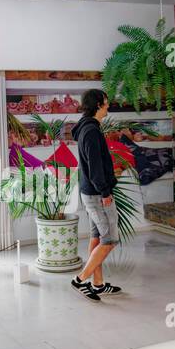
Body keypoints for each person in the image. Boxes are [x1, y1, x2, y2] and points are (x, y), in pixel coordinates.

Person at [71, 88, 122, 300]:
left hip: (91, 192)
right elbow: (94, 166)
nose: (109, 105)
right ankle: (80, 280)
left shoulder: (87, 127)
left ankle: (98, 284)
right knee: (109, 240)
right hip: (97, 194)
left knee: (97, 237)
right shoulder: (91, 131)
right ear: (99, 104)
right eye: (106, 102)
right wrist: (104, 191)